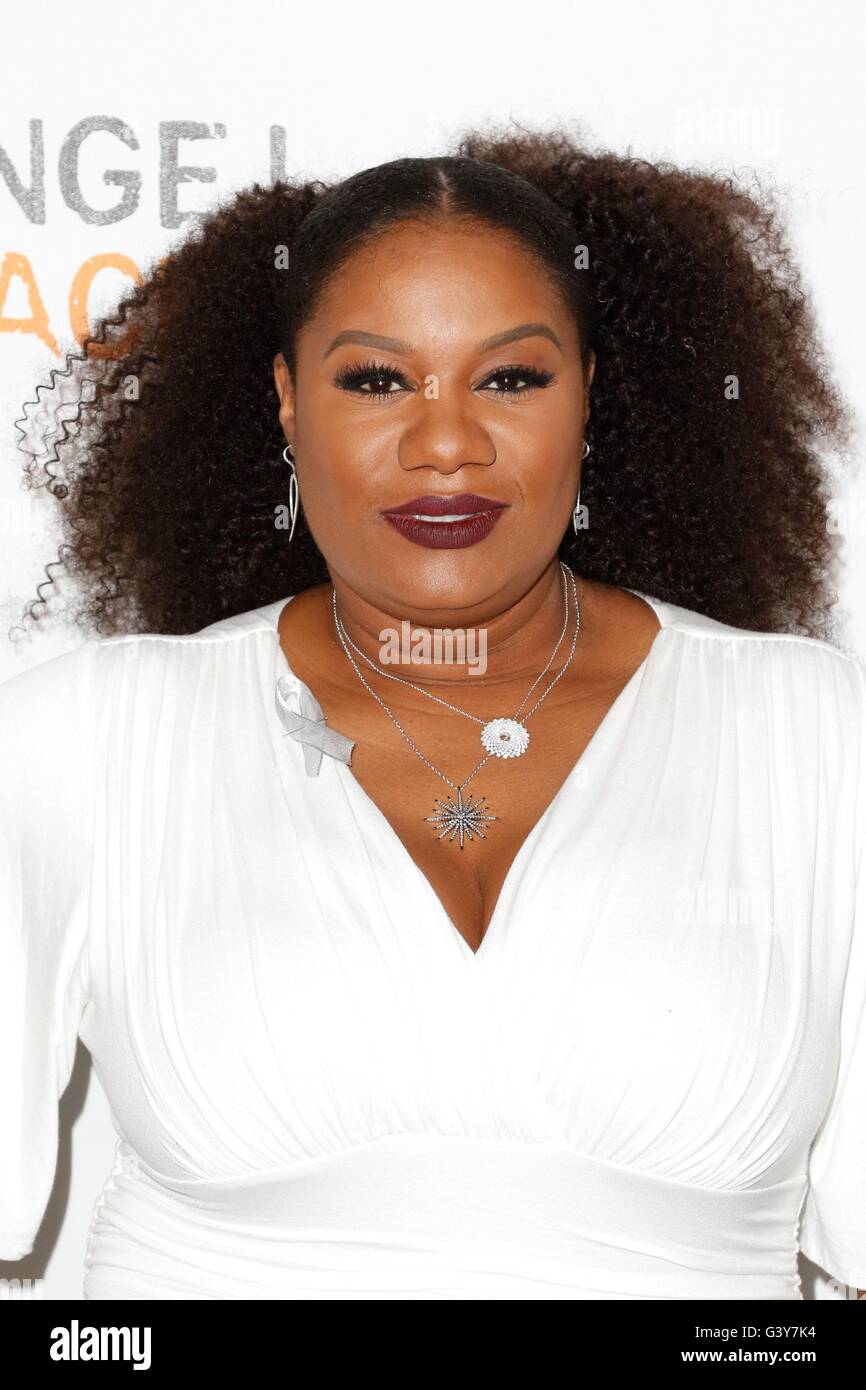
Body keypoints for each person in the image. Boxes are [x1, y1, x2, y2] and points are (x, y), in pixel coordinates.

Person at [1, 127, 863, 1300]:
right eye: (375, 379)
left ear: (588, 399)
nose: (445, 443)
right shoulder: (90, 738)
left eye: (509, 377)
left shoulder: (815, 739)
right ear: (287, 404)